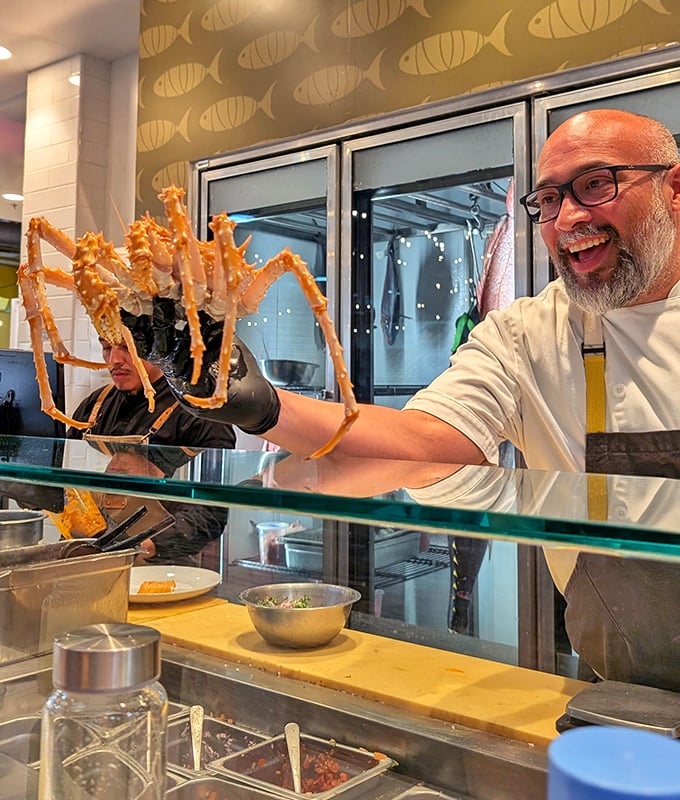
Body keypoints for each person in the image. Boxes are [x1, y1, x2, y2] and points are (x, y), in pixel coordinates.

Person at [131, 108, 680, 687]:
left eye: (596, 185)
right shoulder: (526, 335)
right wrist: (262, 404)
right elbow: (419, 446)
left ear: (674, 189)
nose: (567, 218)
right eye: (546, 201)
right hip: (624, 690)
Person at [66, 338, 236, 565]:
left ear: (159, 348)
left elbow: (210, 513)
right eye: (107, 348)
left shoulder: (200, 412)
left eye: (128, 347)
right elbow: (57, 481)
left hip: (161, 568)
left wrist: (140, 547)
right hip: (84, 559)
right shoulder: (96, 405)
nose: (114, 360)